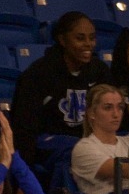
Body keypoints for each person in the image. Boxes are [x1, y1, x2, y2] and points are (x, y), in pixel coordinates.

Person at [11, 12, 109, 153]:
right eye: (80, 38)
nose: (88, 44)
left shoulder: (100, 71)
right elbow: (25, 128)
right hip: (50, 145)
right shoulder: (37, 74)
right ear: (62, 40)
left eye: (92, 38)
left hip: (89, 145)